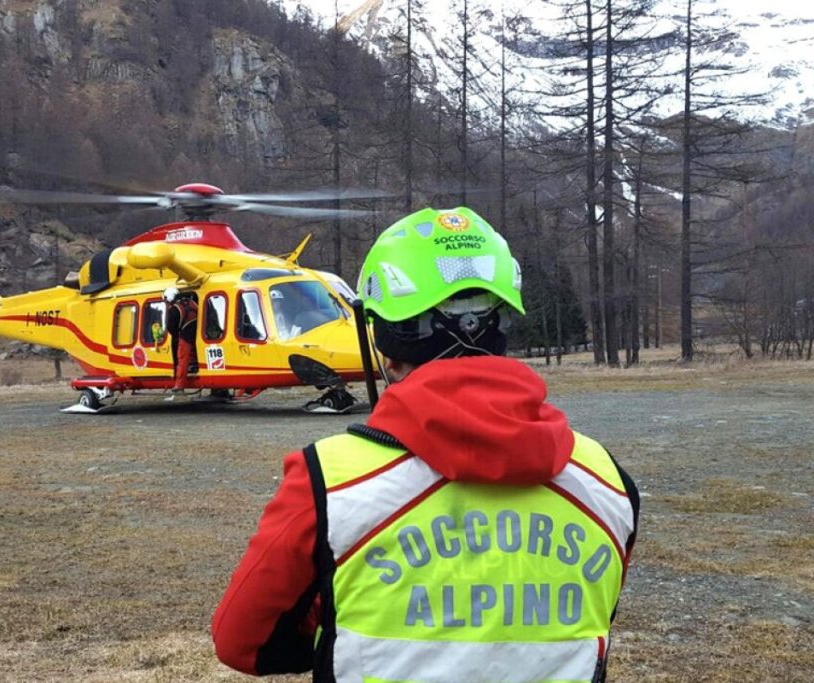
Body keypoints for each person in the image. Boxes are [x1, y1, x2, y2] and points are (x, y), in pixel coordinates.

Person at [212, 207, 640, 682]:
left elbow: (242, 644)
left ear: (386, 342)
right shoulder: (607, 483)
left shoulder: (328, 482)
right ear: (502, 326)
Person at [163, 286, 198, 398]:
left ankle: (179, 386)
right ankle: (193, 366)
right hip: (199, 334)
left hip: (186, 336)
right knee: (193, 356)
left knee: (182, 359)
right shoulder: (192, 302)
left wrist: (176, 336)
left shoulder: (175, 309)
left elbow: (171, 328)